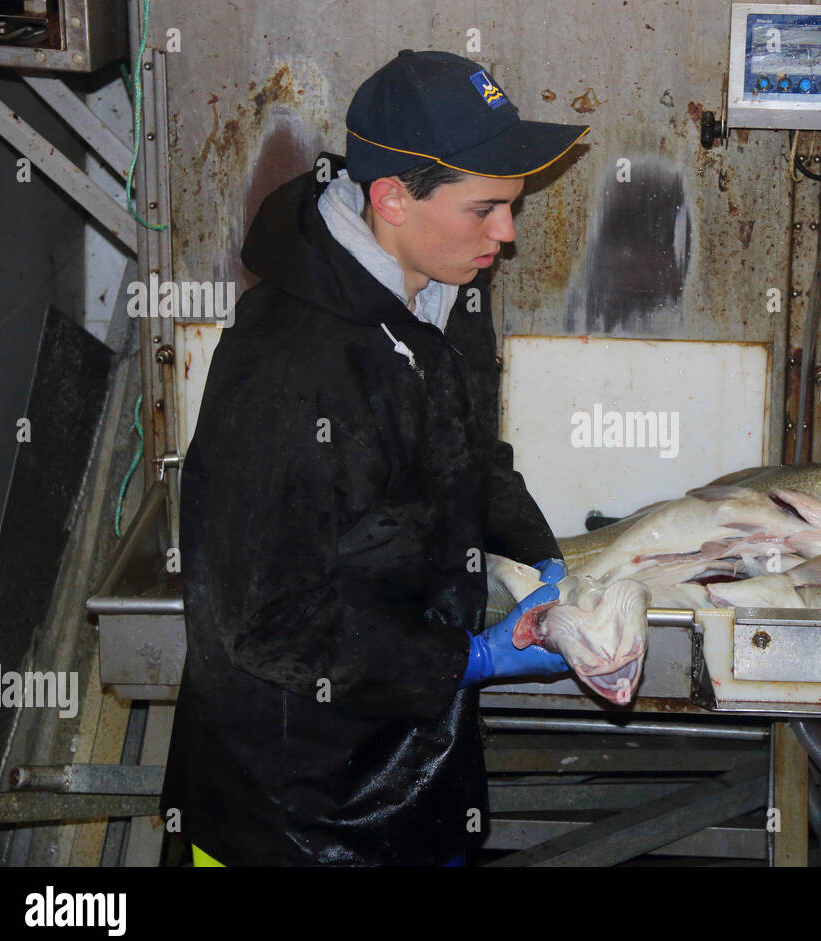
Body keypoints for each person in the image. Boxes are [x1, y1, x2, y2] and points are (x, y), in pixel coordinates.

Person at [160, 50, 590, 866]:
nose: (506, 233)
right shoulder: (292, 368)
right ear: (391, 198)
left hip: (411, 774)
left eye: (513, 207)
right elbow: (266, 619)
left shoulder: (436, 285)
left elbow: (468, 451)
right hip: (293, 816)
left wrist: (540, 557)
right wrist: (470, 659)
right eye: (487, 209)